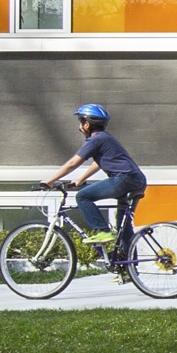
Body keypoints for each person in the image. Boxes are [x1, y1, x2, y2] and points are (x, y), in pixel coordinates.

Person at [43, 102, 146, 271]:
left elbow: (73, 163)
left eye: (80, 122)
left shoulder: (95, 139)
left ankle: (102, 231)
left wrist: (50, 181)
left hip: (124, 179)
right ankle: (130, 269)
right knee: (124, 226)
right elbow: (98, 163)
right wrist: (80, 179)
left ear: (87, 124)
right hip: (136, 180)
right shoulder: (105, 139)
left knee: (83, 196)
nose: (79, 126)